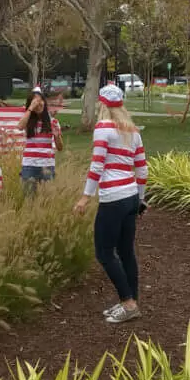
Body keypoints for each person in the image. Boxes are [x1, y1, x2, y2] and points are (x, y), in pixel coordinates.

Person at [74, 83, 148, 325]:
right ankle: (132, 302)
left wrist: (85, 196)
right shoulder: (133, 131)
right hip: (130, 197)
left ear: (103, 104)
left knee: (104, 253)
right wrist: (141, 198)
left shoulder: (103, 128)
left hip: (113, 197)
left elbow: (97, 166)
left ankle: (128, 303)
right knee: (126, 251)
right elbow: (142, 169)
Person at [19, 85, 63, 194]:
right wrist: (30, 108)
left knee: (47, 198)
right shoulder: (28, 121)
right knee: (29, 197)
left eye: (41, 101)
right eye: (35, 102)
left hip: (47, 165)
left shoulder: (53, 122)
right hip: (29, 165)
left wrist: (57, 137)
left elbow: (60, 148)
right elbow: (20, 126)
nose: (39, 104)